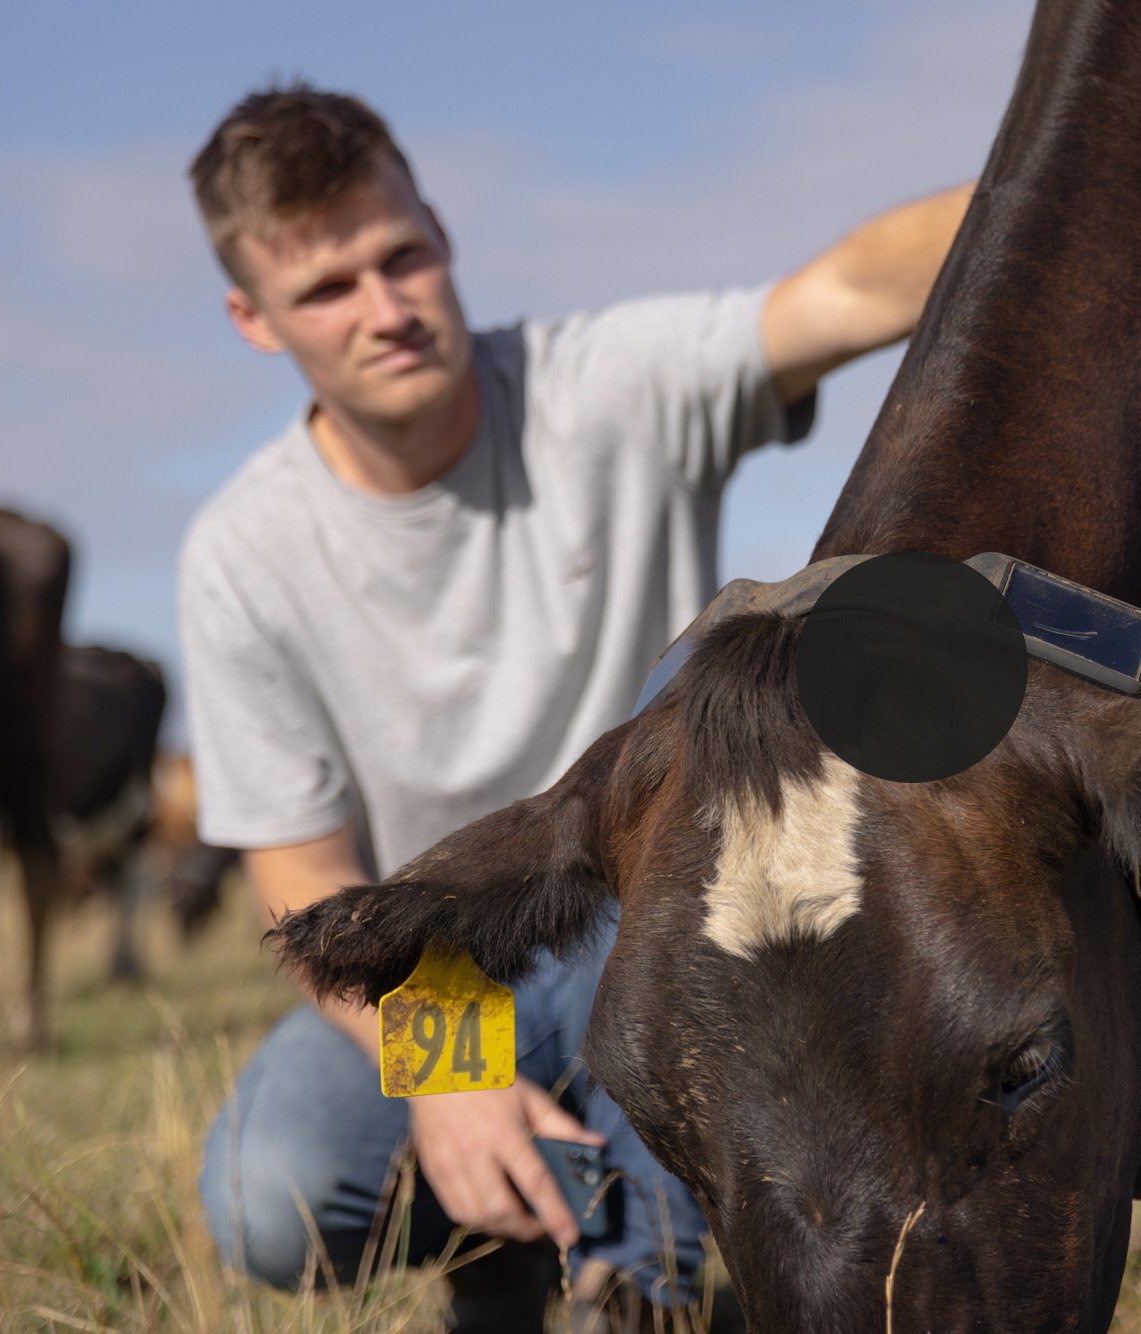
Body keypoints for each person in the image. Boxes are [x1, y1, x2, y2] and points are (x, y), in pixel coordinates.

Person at [179, 83, 969, 1331]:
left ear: (440, 230)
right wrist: (445, 1072)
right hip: (438, 965)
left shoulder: (606, 388)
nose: (386, 309)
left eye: (403, 257)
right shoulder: (241, 550)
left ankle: (634, 1287)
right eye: (329, 289)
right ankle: (517, 1231)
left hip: (646, 910)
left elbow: (846, 295)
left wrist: (1082, 174)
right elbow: (303, 877)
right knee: (266, 1193)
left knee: (689, 805)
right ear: (253, 318)